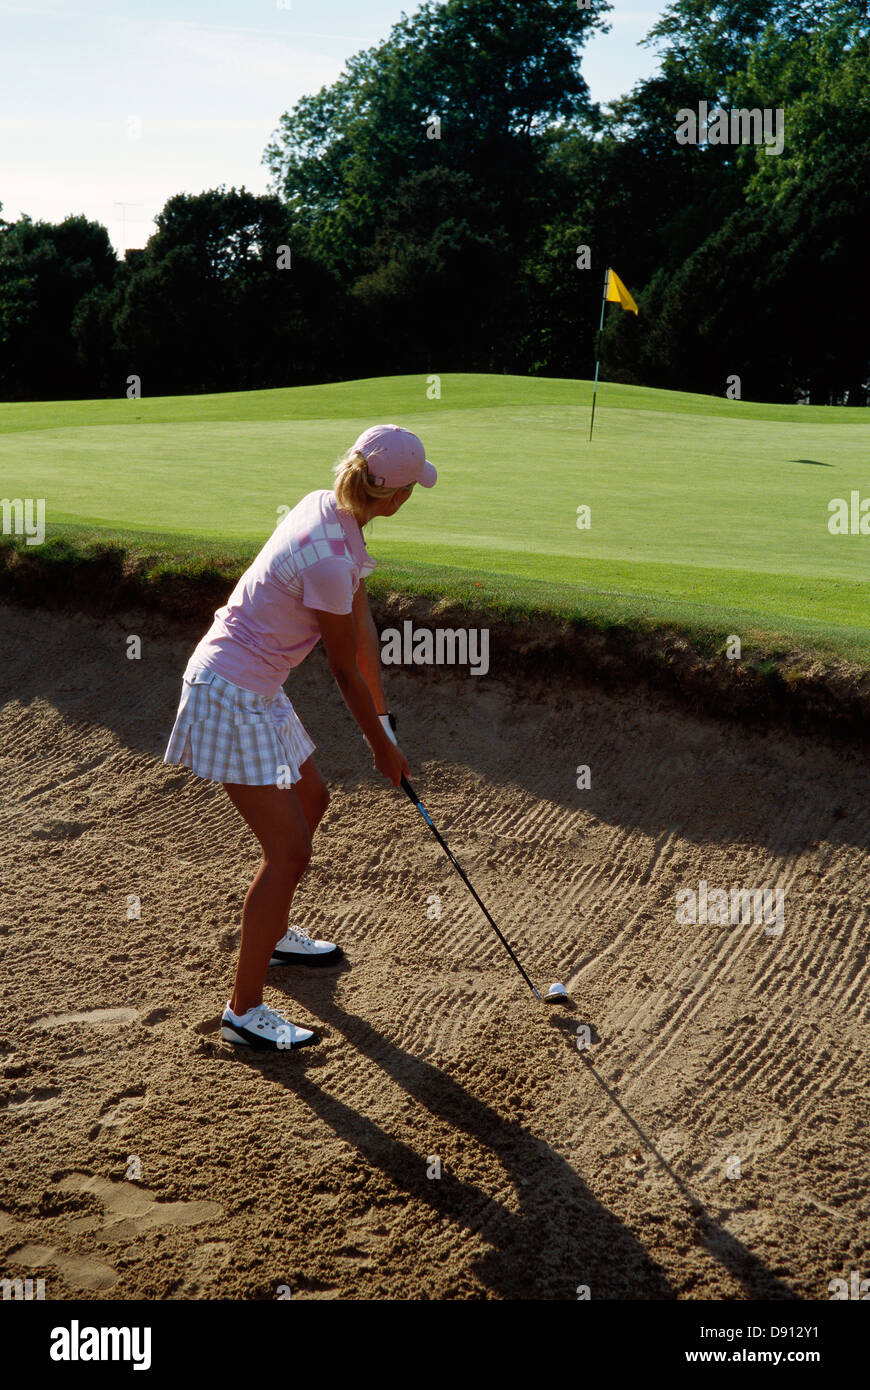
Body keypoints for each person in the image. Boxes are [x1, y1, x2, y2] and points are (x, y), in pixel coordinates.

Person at [163, 424, 437, 1051]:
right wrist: (380, 749)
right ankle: (243, 1010)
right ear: (392, 496)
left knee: (313, 800)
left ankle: (275, 933)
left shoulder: (330, 508)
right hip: (230, 691)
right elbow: (341, 671)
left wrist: (386, 719)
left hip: (253, 685)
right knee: (288, 854)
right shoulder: (330, 558)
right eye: (412, 487)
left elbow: (361, 625)